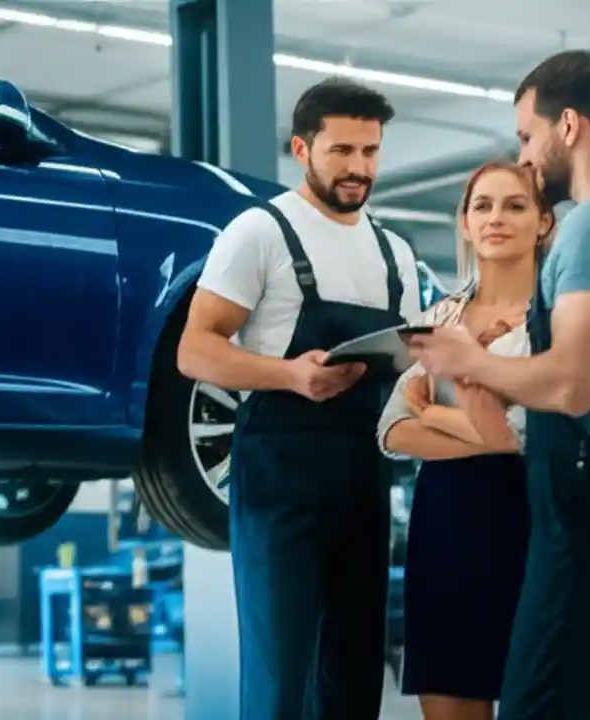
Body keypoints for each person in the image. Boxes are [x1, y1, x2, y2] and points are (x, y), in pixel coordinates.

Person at [406, 50, 590, 720]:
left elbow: (572, 384)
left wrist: (468, 361)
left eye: (527, 135)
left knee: (543, 703)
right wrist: (487, 387)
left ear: (568, 126)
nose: (526, 156)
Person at [176, 76, 423, 719]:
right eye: (342, 151)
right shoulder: (258, 231)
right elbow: (194, 350)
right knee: (280, 669)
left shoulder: (394, 253)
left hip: (365, 475)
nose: (358, 168)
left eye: (370, 152)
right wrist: (290, 375)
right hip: (279, 469)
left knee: (353, 669)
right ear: (301, 149)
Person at [378, 161, 553, 720]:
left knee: (536, 691)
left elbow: (527, 437)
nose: (496, 218)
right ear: (466, 223)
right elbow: (392, 429)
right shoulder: (439, 318)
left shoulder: (553, 321)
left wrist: (444, 419)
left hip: (532, 524)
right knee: (450, 695)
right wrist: (492, 429)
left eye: (514, 205)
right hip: (447, 526)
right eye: (483, 206)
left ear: (544, 222)